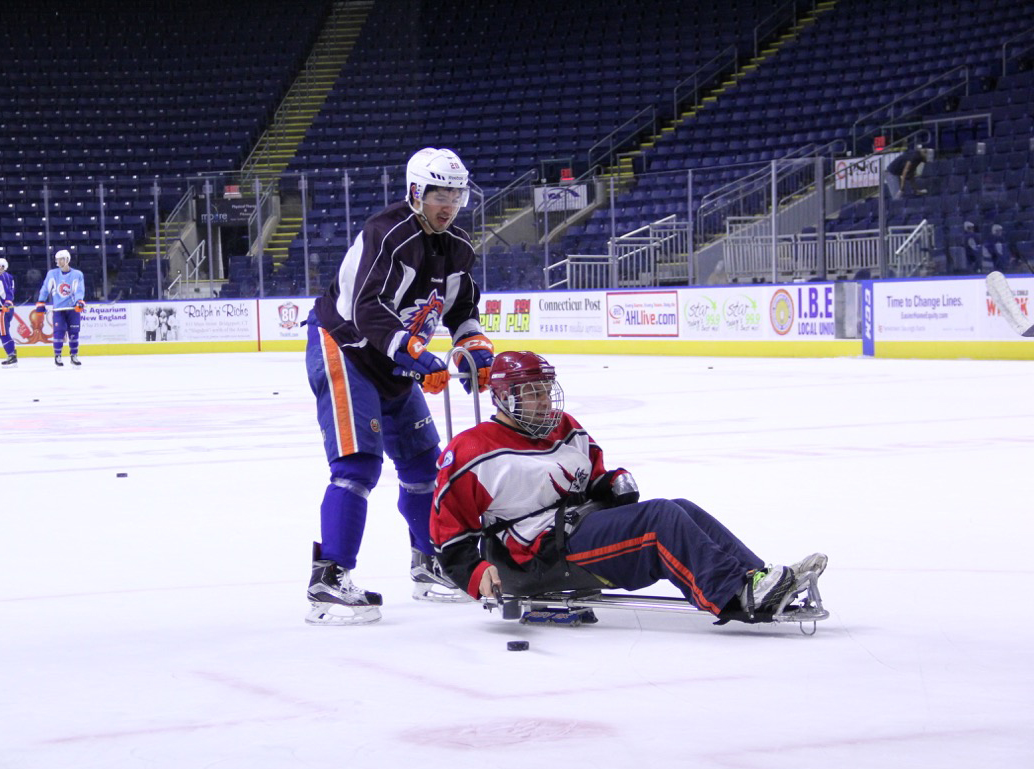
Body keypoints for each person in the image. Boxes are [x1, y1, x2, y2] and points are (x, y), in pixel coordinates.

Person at [430, 351, 827, 625]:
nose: (544, 399)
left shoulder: (565, 426)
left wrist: (611, 483)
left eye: (545, 389)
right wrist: (475, 572)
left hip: (578, 529)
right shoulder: (472, 450)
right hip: (540, 558)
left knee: (679, 505)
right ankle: (735, 594)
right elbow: (449, 531)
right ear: (503, 397)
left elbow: (593, 475)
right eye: (532, 391)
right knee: (660, 520)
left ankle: (757, 579)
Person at [304, 147, 496, 625]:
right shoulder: (384, 233)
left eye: (456, 193)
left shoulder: (459, 246)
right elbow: (366, 309)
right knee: (357, 464)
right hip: (345, 347)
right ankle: (329, 580)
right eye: (437, 193)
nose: (447, 203)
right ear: (415, 192)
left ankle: (429, 561)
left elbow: (461, 310)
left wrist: (473, 345)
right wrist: (416, 356)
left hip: (395, 358)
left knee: (422, 464)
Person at [36, 249, 85, 366]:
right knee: (58, 333)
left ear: (67, 260)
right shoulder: (52, 274)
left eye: (61, 259)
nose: (58, 261)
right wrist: (41, 302)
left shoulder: (77, 274)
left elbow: (79, 289)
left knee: (74, 333)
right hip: (58, 310)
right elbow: (45, 288)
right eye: (57, 259)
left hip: (72, 309)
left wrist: (79, 301)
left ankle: (74, 356)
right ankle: (57, 356)